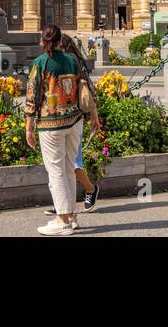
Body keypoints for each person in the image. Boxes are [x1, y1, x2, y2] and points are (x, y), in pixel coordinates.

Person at [24, 24, 86, 235]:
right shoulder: (72, 60)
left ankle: (62, 220)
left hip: (51, 125)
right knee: (69, 170)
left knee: (56, 172)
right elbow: (81, 85)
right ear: (60, 41)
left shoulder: (41, 63)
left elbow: (32, 97)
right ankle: (71, 216)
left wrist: (29, 128)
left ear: (43, 41)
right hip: (74, 121)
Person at [42, 36, 102, 219]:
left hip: (74, 120)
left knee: (73, 164)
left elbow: (87, 93)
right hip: (58, 121)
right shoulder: (56, 63)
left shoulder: (73, 63)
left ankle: (90, 189)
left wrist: (94, 117)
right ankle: (63, 206)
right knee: (62, 165)